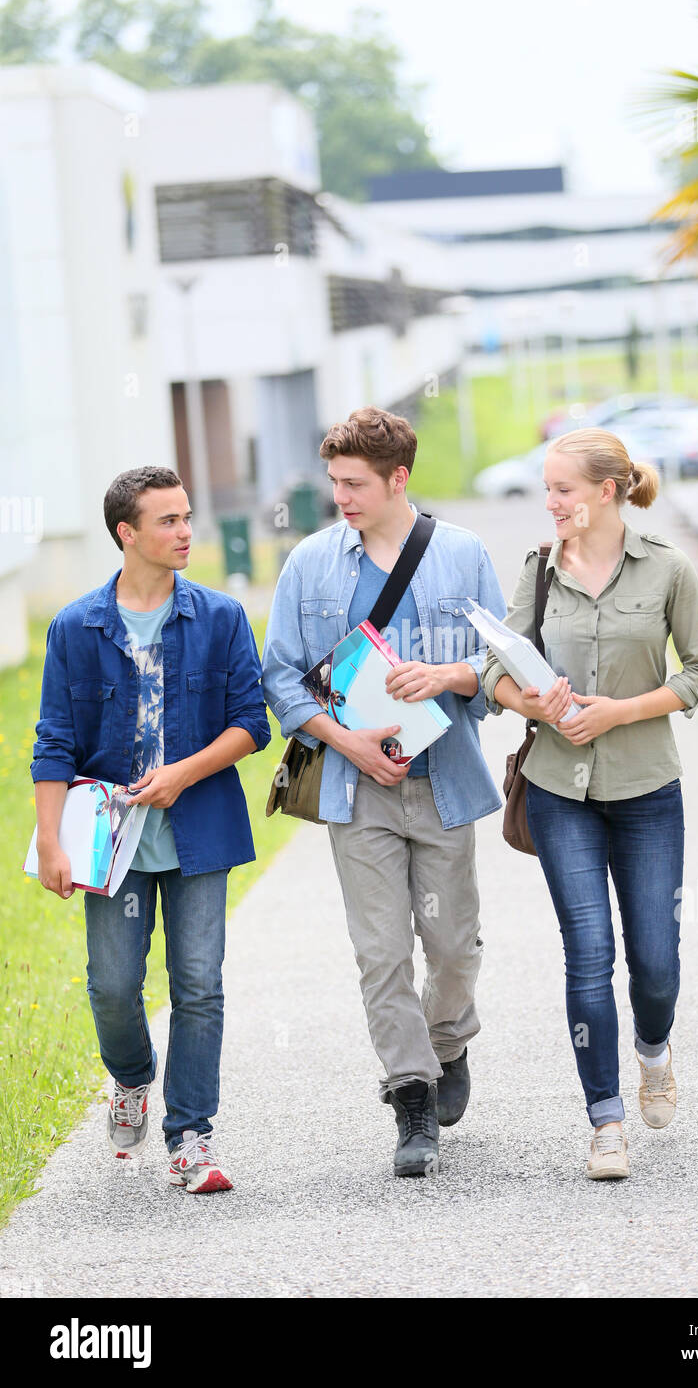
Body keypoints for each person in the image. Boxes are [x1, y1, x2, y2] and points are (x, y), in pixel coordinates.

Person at [261, 406, 506, 1178]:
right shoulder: (309, 563)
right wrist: (350, 744)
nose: (341, 495)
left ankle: (448, 1041)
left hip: (443, 785)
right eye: (334, 481)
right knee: (380, 953)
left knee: (454, 947)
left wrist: (452, 675)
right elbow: (280, 676)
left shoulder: (463, 556)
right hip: (353, 790)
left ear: (399, 478)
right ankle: (411, 1099)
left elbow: (501, 673)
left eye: (355, 482)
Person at [481, 428, 698, 1180]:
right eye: (548, 490)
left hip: (648, 787)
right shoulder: (540, 572)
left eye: (564, 490)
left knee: (655, 962)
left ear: (608, 491)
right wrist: (536, 702)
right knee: (588, 955)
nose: (550, 503)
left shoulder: (668, 569)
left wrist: (618, 711)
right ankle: (604, 1121)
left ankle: (654, 1052)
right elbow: (492, 670)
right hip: (559, 792)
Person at [31, 466, 270, 1193]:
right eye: (167, 521)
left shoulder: (222, 616)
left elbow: (251, 725)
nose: (186, 532)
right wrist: (50, 840)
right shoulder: (76, 627)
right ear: (125, 533)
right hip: (113, 844)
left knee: (199, 984)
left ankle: (191, 1135)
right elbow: (54, 741)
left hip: (199, 831)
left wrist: (182, 774)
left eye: (188, 517)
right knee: (113, 984)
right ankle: (132, 1077)